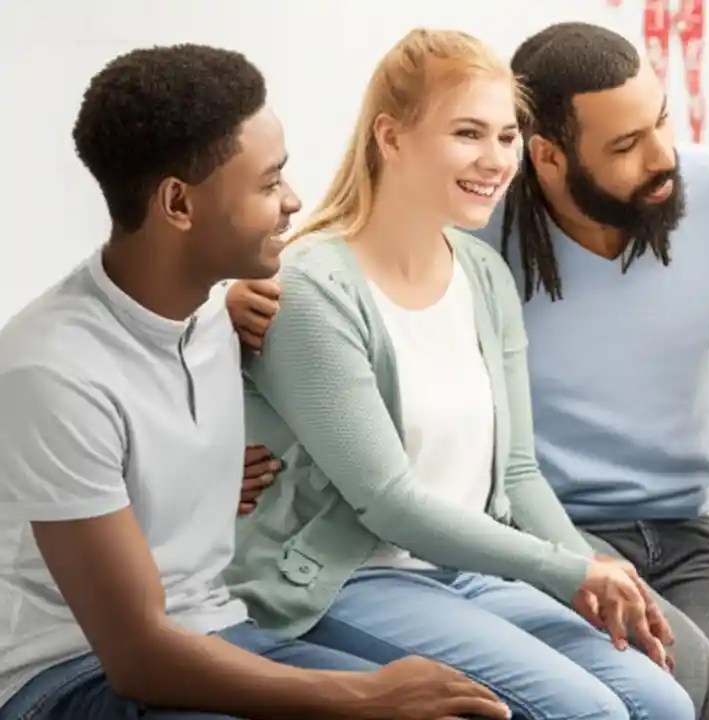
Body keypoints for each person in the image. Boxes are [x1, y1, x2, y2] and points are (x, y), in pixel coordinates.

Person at [229, 21, 709, 719]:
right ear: (390, 137)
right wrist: (571, 567)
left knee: (667, 704)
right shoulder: (310, 291)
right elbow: (390, 502)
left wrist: (590, 578)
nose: (495, 160)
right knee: (596, 711)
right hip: (351, 579)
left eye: (503, 137)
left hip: (480, 570)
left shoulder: (482, 272)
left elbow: (519, 472)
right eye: (468, 133)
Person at [0, 44, 508, 720]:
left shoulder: (217, 316)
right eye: (268, 185)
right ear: (178, 203)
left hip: (221, 627)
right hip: (75, 674)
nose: (294, 202)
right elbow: (137, 655)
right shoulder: (53, 371)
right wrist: (363, 695)